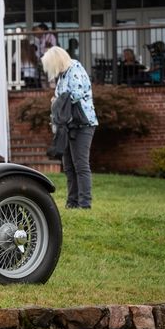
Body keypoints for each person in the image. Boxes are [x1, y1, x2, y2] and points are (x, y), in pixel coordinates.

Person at [42, 46, 98, 209]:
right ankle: (71, 202)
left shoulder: (75, 70)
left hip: (83, 124)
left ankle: (85, 203)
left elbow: (75, 95)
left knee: (80, 164)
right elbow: (61, 97)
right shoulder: (63, 75)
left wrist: (56, 101)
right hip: (67, 125)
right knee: (68, 166)